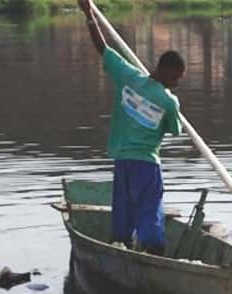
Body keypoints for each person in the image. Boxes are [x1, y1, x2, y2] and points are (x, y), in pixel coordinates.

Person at [78, 0, 184, 255]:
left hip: (122, 161)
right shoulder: (169, 101)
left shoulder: (128, 77)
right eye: (178, 77)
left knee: (123, 208)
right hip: (147, 164)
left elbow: (102, 48)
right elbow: (175, 131)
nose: (178, 83)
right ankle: (154, 252)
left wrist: (89, 14)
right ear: (169, 72)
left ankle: (122, 245)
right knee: (149, 208)